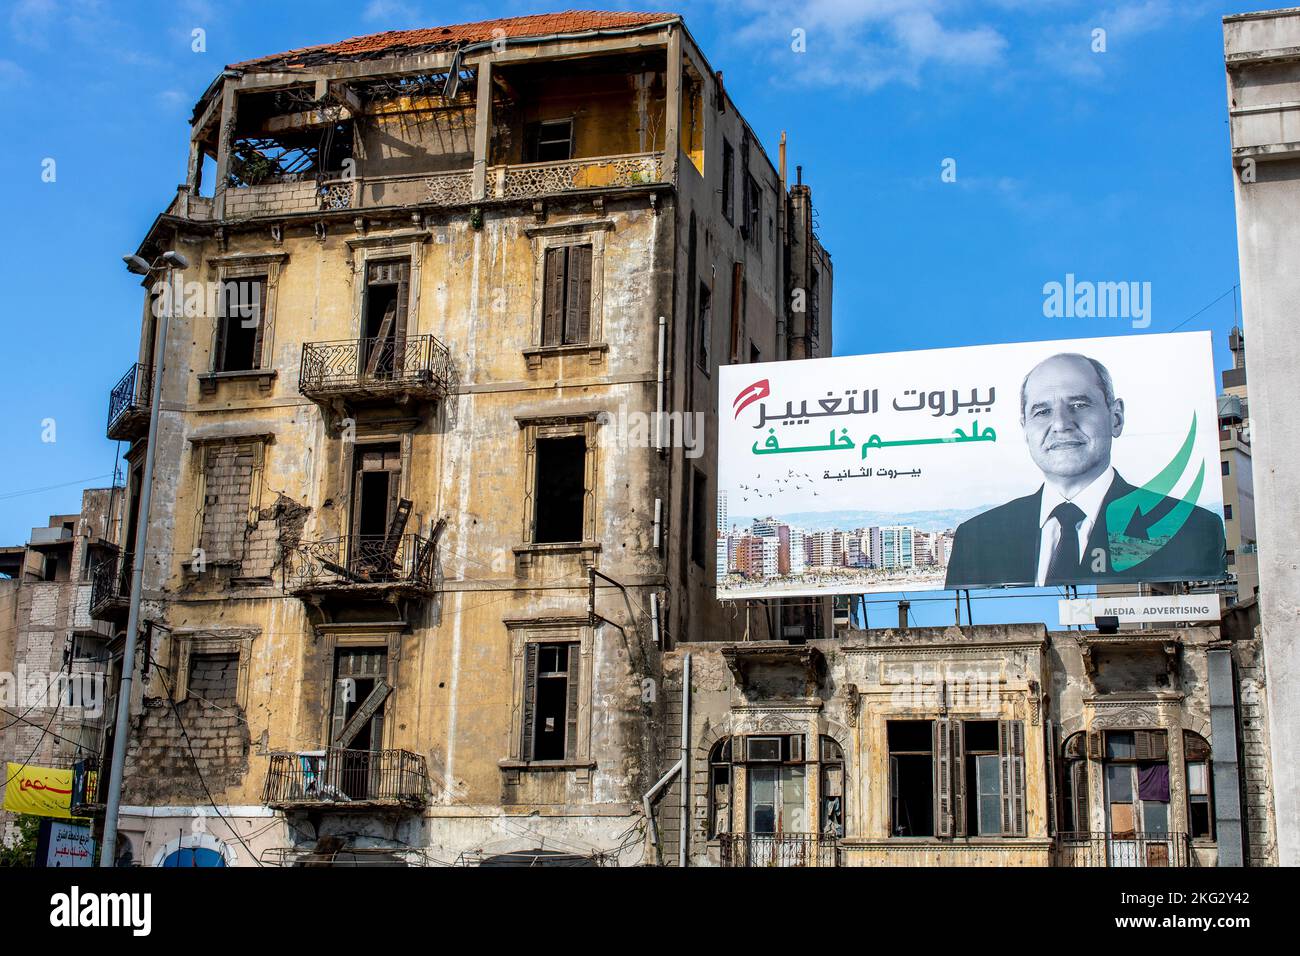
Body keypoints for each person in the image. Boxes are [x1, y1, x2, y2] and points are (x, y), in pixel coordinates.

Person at [944, 353, 1225, 588]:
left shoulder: (1188, 528)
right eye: (1042, 412)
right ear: (1025, 429)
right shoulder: (976, 538)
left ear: (1116, 417)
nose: (1061, 424)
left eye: (1079, 405)